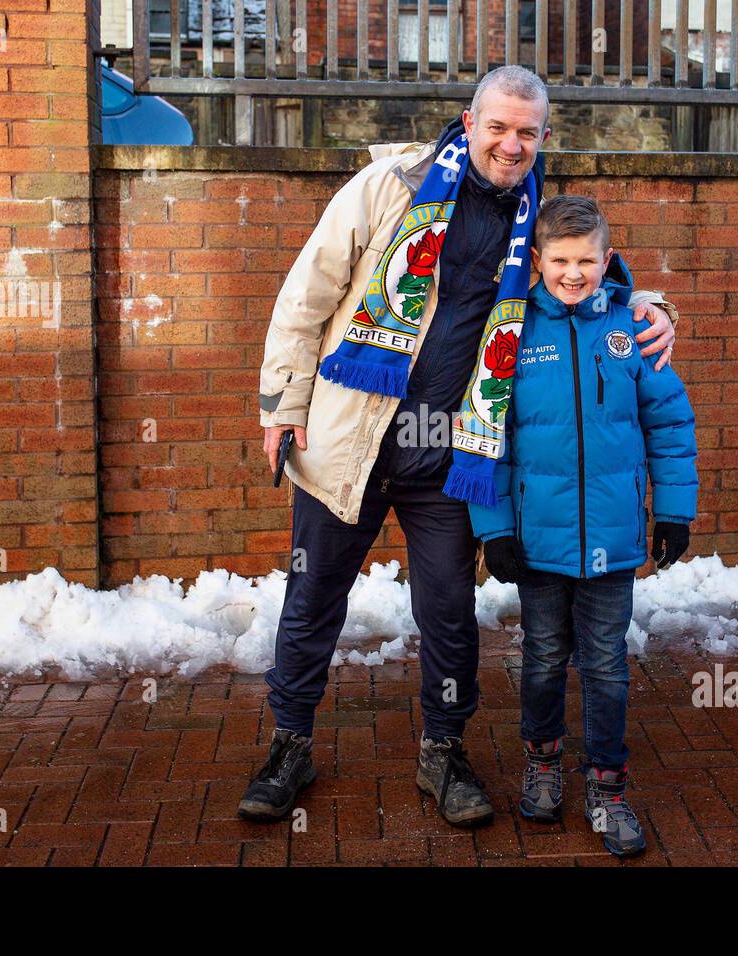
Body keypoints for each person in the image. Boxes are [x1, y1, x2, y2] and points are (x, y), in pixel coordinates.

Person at [244, 65, 681, 828]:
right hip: (349, 435)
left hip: (450, 453)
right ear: (471, 121)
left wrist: (651, 305)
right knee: (313, 597)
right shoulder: (392, 185)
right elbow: (307, 292)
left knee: (449, 615)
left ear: (544, 136)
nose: (511, 145)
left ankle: (443, 752)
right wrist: (283, 402)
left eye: (528, 132)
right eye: (499, 126)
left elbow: (589, 277)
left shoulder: (538, 212)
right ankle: (290, 744)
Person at [468, 195, 699, 856]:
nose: (574, 273)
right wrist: (495, 528)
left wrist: (675, 511)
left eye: (588, 260)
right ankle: (541, 764)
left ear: (607, 259)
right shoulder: (508, 332)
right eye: (561, 260)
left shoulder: (633, 329)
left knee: (605, 664)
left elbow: (670, 425)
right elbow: (485, 431)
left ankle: (607, 784)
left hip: (614, 539)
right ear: (537, 259)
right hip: (536, 542)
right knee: (542, 658)